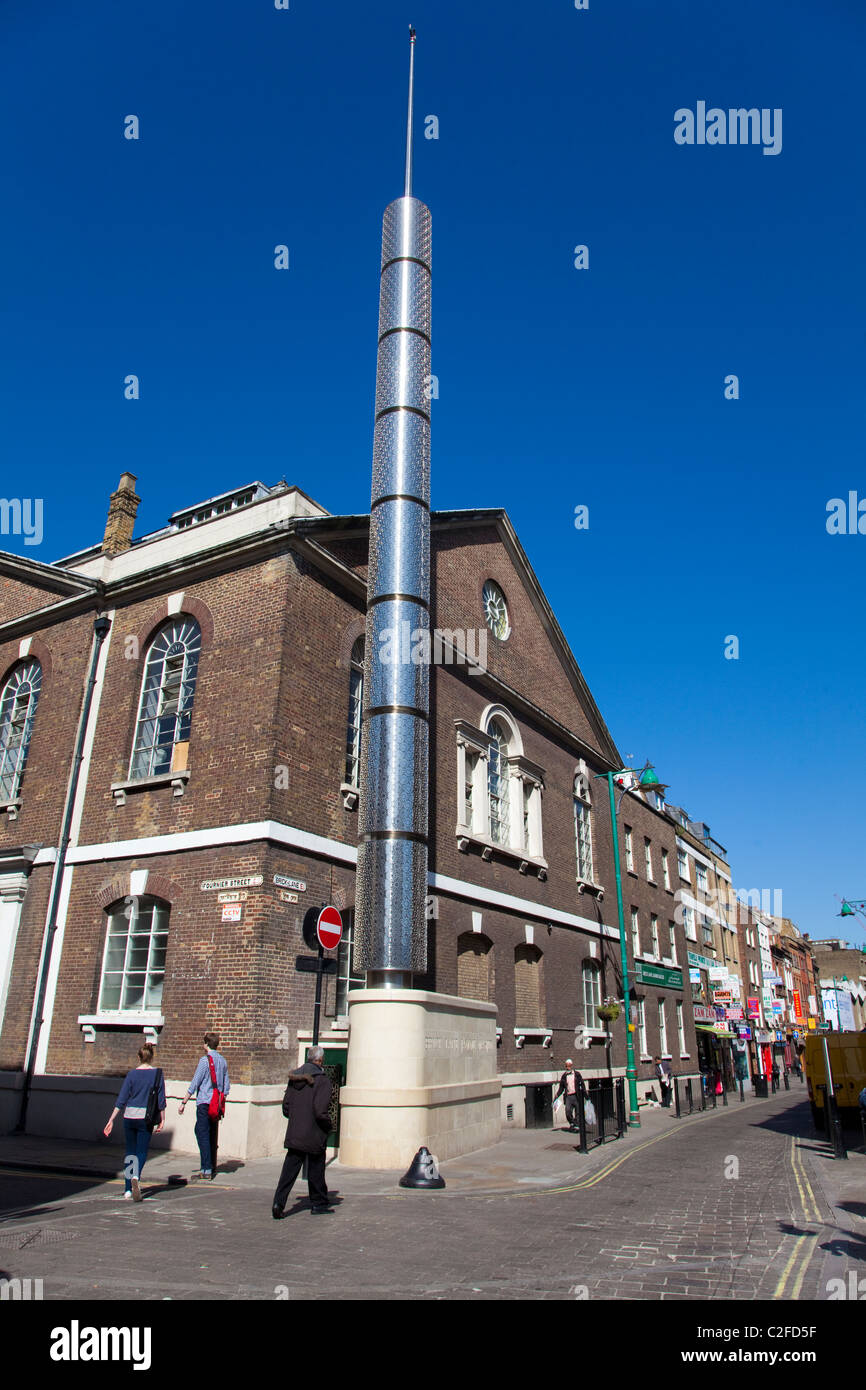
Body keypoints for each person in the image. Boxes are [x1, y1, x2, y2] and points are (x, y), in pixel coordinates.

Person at [272, 1046, 333, 1218]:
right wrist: (328, 1126)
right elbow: (320, 1111)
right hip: (314, 1133)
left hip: (296, 1132)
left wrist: (297, 1119)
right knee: (316, 1169)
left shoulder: (294, 1078)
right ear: (320, 1060)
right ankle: (319, 1203)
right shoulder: (322, 1080)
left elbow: (286, 1107)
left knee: (289, 1171)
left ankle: (278, 1203)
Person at [103, 1043, 165, 1202]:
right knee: (142, 1151)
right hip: (146, 1118)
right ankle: (136, 1176)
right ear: (151, 1057)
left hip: (129, 1117)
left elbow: (121, 1099)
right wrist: (162, 1119)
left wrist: (111, 1120)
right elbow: (160, 1100)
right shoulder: (157, 1074)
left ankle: (127, 1190)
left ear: (139, 1057)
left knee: (130, 1152)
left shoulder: (131, 1074)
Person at [179, 1031, 230, 1181]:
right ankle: (211, 1166)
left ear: (207, 1044)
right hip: (217, 1104)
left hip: (204, 1102)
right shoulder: (222, 1061)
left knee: (202, 1133)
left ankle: (206, 1168)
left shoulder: (204, 1061)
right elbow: (226, 1086)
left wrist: (184, 1101)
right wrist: (221, 1099)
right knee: (211, 1133)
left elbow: (195, 1082)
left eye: (204, 1043)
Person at [555, 1059, 586, 1131]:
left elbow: (582, 1084)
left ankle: (576, 1125)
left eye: (569, 1065)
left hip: (576, 1095)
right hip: (568, 1096)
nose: (567, 1067)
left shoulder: (577, 1074)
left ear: (571, 1066)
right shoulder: (564, 1076)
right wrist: (557, 1095)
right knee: (568, 1111)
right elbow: (561, 1087)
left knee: (578, 1112)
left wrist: (585, 1095)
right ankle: (572, 1123)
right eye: (566, 1065)